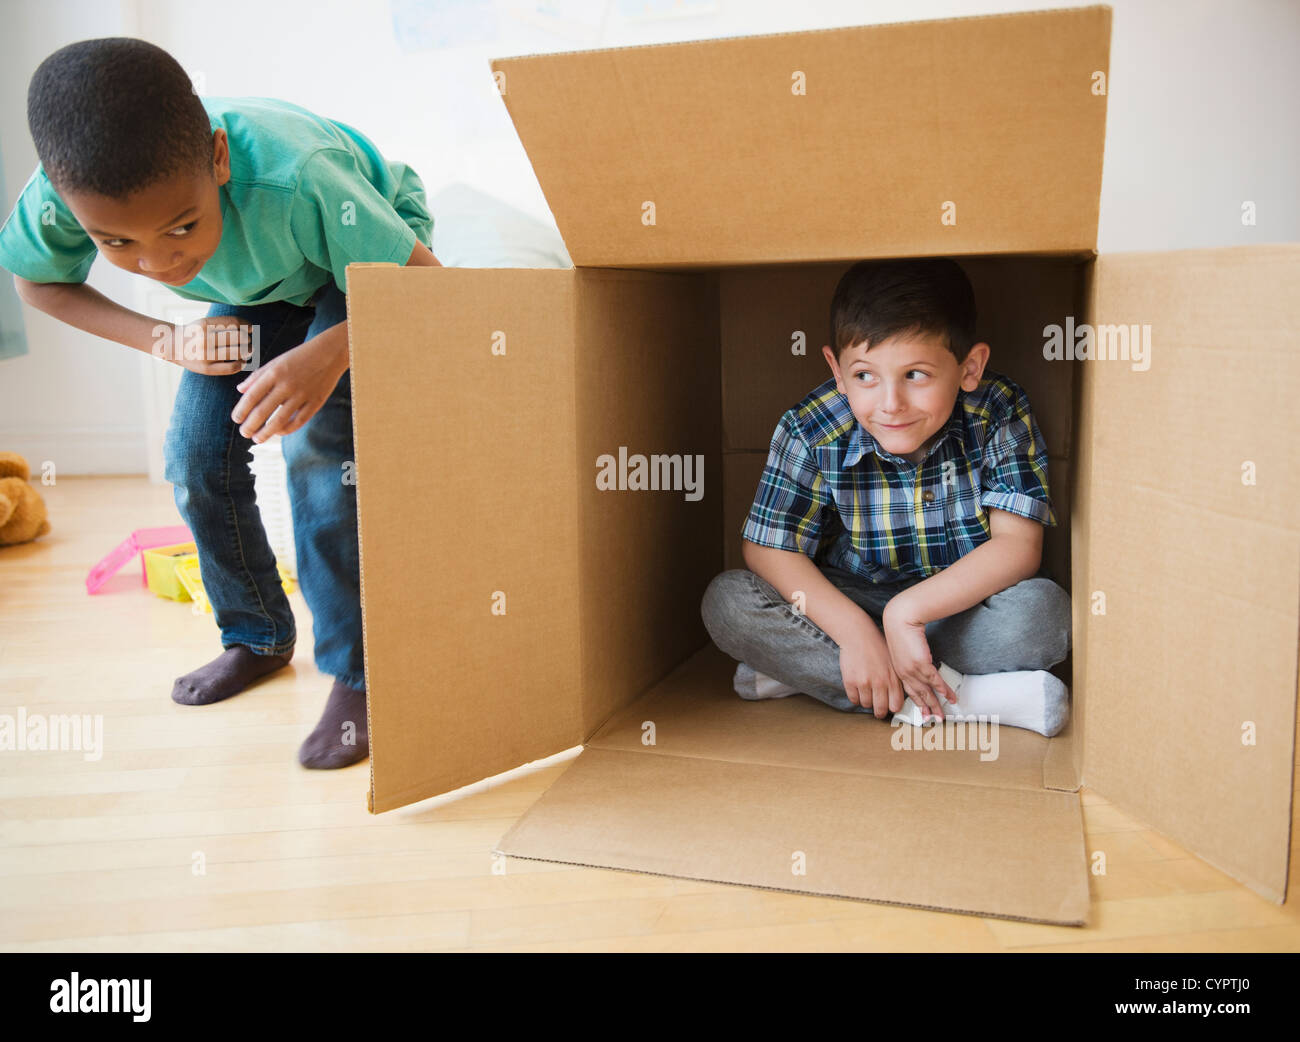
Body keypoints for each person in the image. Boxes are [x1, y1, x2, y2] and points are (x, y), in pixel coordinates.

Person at [0, 37, 442, 767]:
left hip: (367, 272)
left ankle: (360, 676)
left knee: (319, 451)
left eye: (181, 226)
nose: (160, 263)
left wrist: (327, 352)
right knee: (195, 457)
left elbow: (428, 281)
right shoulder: (63, 190)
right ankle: (257, 636)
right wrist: (166, 340)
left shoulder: (297, 176)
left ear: (219, 159)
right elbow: (36, 285)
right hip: (255, 290)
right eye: (118, 243)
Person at [700, 257, 1072, 737]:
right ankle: (966, 700)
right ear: (837, 370)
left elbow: (1018, 547)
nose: (890, 403)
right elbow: (769, 547)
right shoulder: (811, 426)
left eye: (915, 374)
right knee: (728, 602)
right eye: (865, 376)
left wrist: (907, 614)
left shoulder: (997, 410)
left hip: (955, 610)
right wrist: (856, 633)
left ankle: (814, 676)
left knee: (1044, 616)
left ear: (969, 367)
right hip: (849, 600)